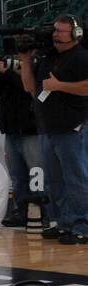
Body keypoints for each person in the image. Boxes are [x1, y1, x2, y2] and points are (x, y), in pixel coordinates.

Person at [18, 15, 88, 244]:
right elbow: (29, 87)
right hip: (48, 129)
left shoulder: (81, 57)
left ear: (76, 35)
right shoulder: (47, 58)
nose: (55, 34)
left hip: (72, 128)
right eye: (55, 30)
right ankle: (63, 222)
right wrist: (26, 61)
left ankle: (82, 225)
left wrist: (59, 86)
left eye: (61, 31)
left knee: (75, 179)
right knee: (54, 180)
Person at [0, 56, 40, 227]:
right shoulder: (8, 72)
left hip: (31, 129)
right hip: (10, 129)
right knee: (17, 176)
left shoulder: (35, 64)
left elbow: (29, 89)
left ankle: (41, 212)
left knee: (36, 174)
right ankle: (21, 210)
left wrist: (9, 73)